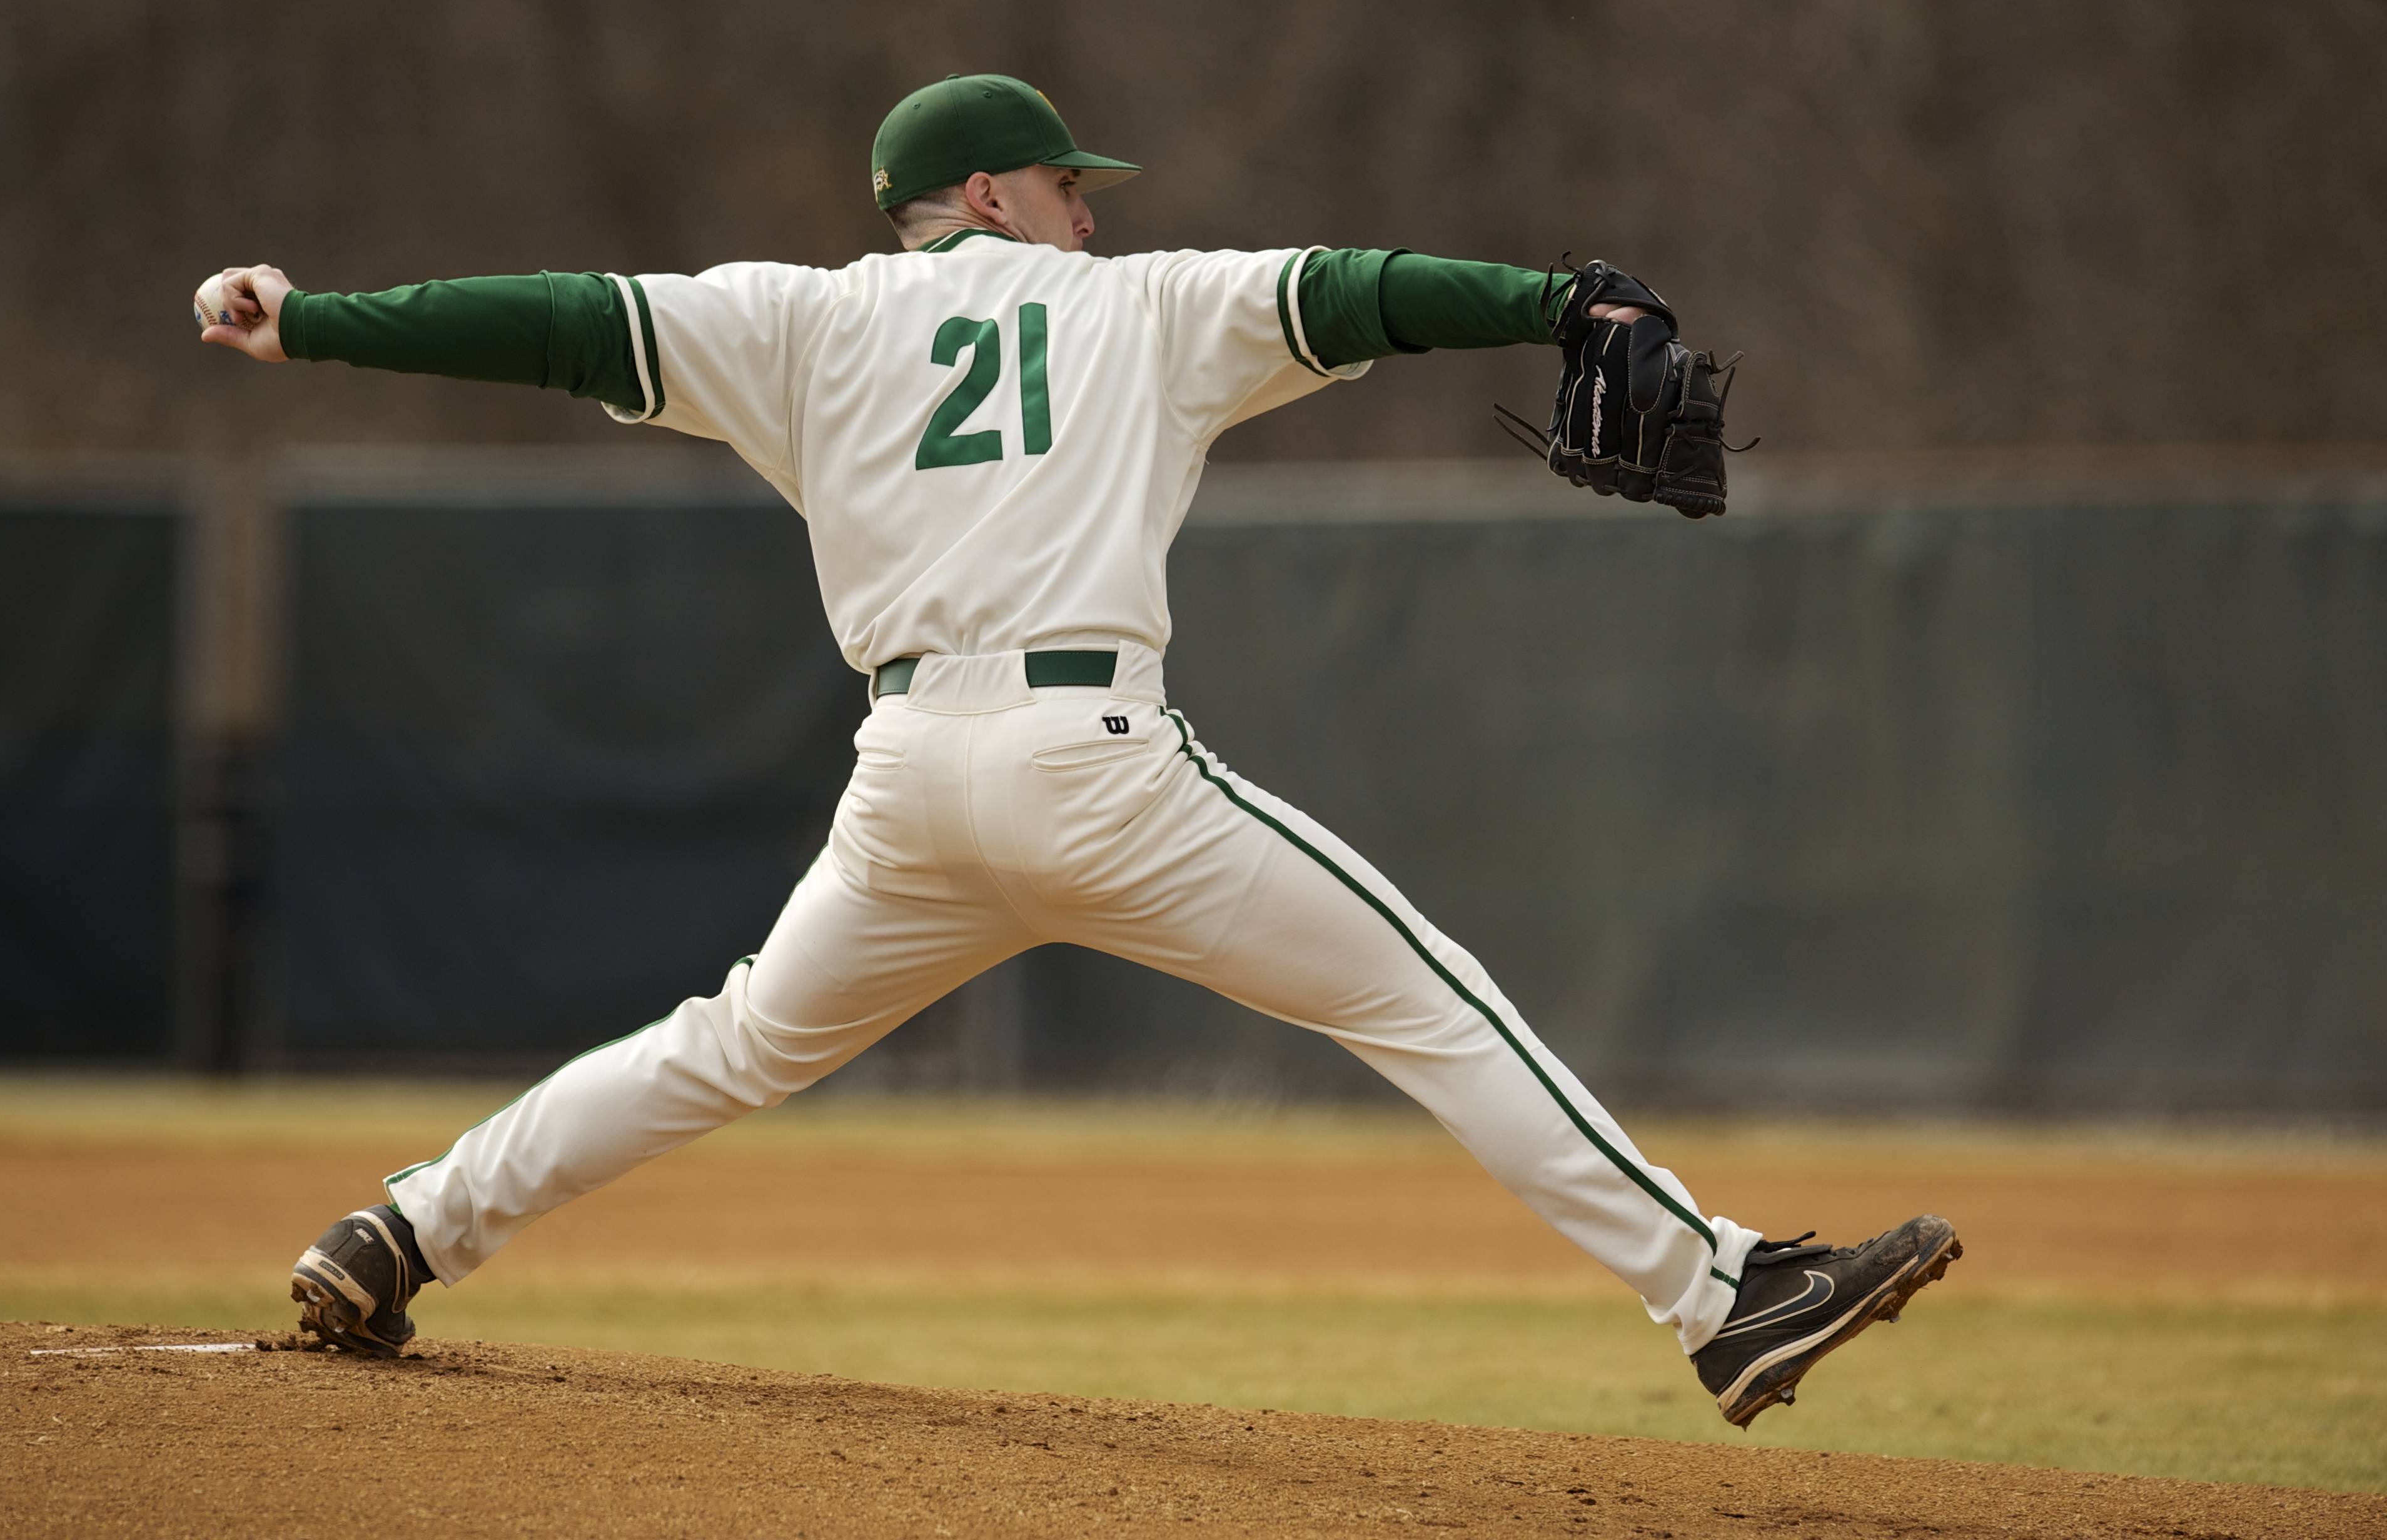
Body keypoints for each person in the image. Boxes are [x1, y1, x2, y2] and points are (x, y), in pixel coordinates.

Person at [194, 73, 1957, 1427]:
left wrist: (320, 319)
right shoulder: (1139, 310)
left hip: (905, 791)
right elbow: (1359, 291)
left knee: (729, 1046)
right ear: (984, 192)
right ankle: (1723, 1295)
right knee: (1423, 998)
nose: (1087, 219)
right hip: (1091, 760)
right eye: (1063, 187)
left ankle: (408, 1229)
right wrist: (1559, 295)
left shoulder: (793, 320)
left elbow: (559, 318)